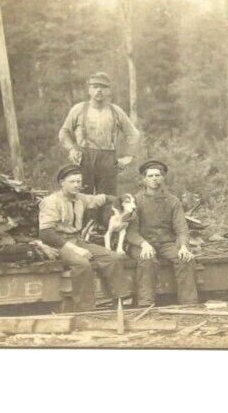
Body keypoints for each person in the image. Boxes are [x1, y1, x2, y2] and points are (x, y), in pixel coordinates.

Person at [38, 164, 131, 311]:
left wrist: (122, 203)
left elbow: (104, 198)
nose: (76, 185)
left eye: (79, 182)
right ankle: (85, 308)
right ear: (62, 183)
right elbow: (46, 234)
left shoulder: (81, 198)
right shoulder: (51, 201)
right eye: (72, 182)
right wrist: (75, 249)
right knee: (82, 264)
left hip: (78, 240)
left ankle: (120, 301)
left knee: (112, 257)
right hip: (59, 244)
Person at [125, 160, 198, 306]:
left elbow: (181, 228)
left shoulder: (172, 201)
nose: (154, 179)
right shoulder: (136, 201)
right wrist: (143, 244)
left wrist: (184, 246)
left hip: (166, 243)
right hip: (142, 243)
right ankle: (146, 303)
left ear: (163, 178)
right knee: (147, 260)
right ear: (144, 179)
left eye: (157, 175)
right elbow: (131, 232)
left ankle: (189, 303)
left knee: (186, 259)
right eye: (150, 176)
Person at [58, 71, 140, 197]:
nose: (99, 90)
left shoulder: (116, 111)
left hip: (108, 160)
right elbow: (64, 133)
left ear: (109, 91)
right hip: (83, 158)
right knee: (81, 197)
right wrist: (72, 149)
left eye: (103, 87)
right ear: (89, 90)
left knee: (107, 199)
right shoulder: (78, 109)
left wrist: (128, 157)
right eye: (95, 87)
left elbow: (133, 134)